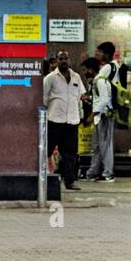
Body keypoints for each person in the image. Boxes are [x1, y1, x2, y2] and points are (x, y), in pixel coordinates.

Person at [42, 49, 87, 191]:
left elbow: (81, 96)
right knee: (47, 151)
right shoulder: (50, 78)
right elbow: (43, 98)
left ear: (69, 60)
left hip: (72, 122)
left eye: (65, 58)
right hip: (55, 120)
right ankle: (42, 177)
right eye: (60, 59)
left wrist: (82, 114)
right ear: (56, 61)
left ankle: (70, 182)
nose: (63, 61)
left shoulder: (76, 77)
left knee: (70, 154)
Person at [86, 41, 119, 183]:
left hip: (104, 112)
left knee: (105, 144)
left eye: (99, 51)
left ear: (106, 53)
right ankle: (95, 171)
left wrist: (94, 112)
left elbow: (104, 96)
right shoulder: (114, 66)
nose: (96, 54)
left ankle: (107, 173)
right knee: (98, 144)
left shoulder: (107, 68)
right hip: (102, 112)